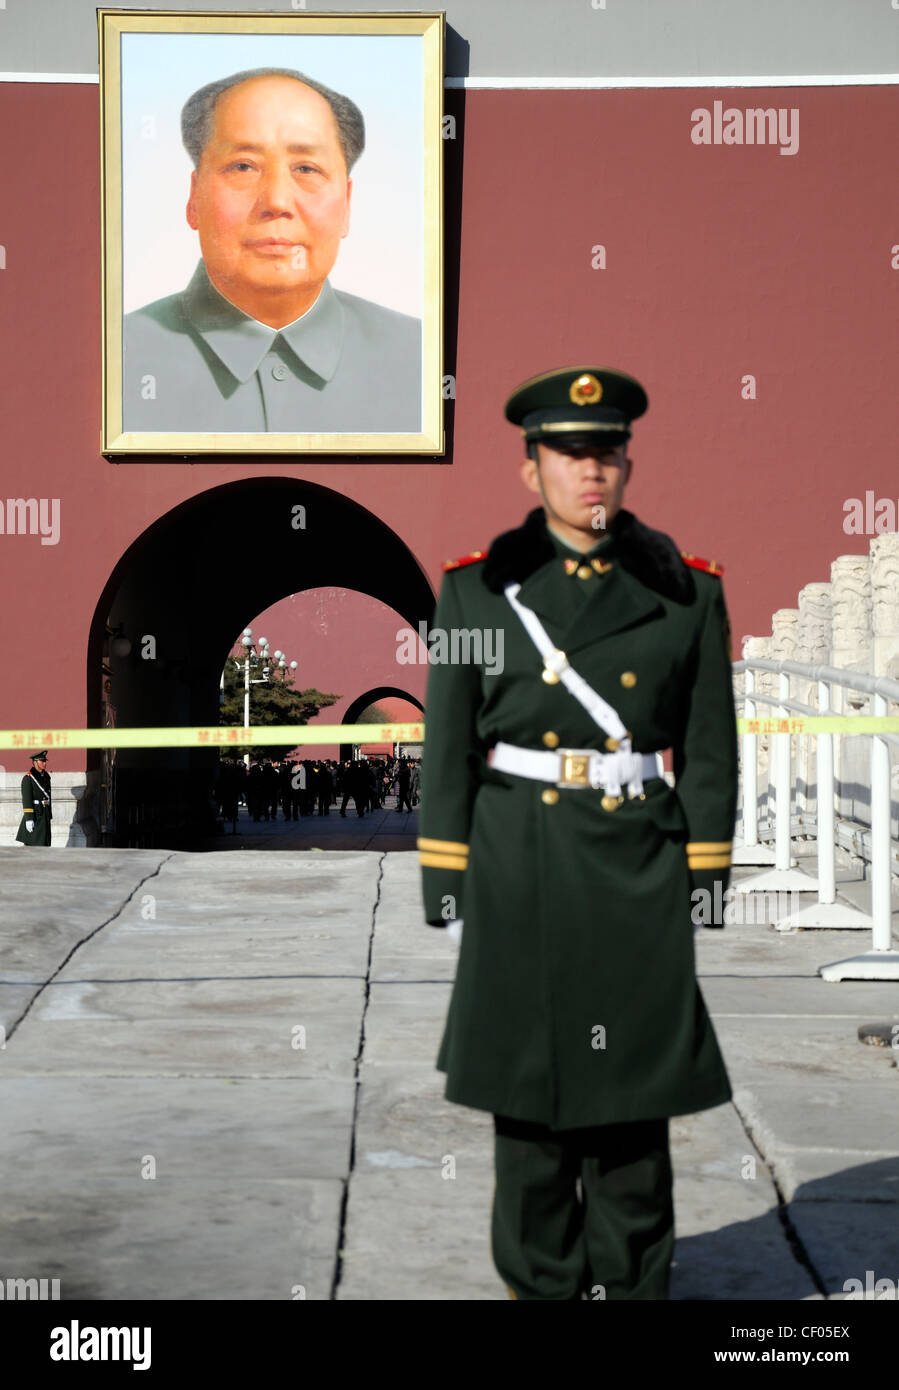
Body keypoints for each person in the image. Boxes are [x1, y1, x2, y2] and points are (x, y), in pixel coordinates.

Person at [418, 366, 738, 1301]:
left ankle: (635, 1287)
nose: (588, 473)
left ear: (627, 466)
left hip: (636, 869)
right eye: (568, 456)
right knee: (526, 1111)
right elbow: (446, 747)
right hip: (520, 866)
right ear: (532, 473)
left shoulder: (687, 594)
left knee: (633, 1112)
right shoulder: (473, 596)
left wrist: (705, 869)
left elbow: (709, 751)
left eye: (605, 455)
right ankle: (542, 1288)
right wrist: (447, 872)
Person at [123, 68, 421, 435]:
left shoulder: (421, 360)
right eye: (244, 166)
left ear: (346, 204)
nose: (277, 201)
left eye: (307, 168)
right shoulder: (114, 360)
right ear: (194, 198)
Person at [16, 750, 52, 846]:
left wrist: (49, 814)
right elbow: (26, 800)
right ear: (35, 762)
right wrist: (29, 819)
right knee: (33, 843)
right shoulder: (28, 778)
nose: (45, 763)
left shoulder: (46, 777)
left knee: (44, 842)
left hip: (44, 814)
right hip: (35, 815)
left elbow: (48, 797)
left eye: (45, 761)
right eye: (42, 761)